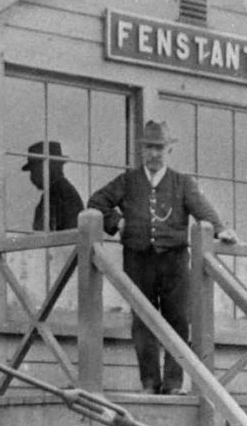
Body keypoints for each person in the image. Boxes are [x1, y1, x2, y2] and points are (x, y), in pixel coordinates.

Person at [88, 120, 238, 394]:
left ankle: (172, 384)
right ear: (142, 150)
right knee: (142, 319)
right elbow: (96, 202)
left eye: (159, 148)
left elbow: (203, 210)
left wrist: (221, 230)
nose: (154, 154)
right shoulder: (127, 181)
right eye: (149, 148)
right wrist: (117, 223)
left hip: (174, 261)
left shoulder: (182, 183)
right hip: (138, 260)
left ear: (168, 150)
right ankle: (149, 382)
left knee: (178, 319)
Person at [22, 141, 84, 231]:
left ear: (49, 166)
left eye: (34, 170)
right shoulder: (56, 193)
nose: (32, 177)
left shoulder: (59, 194)